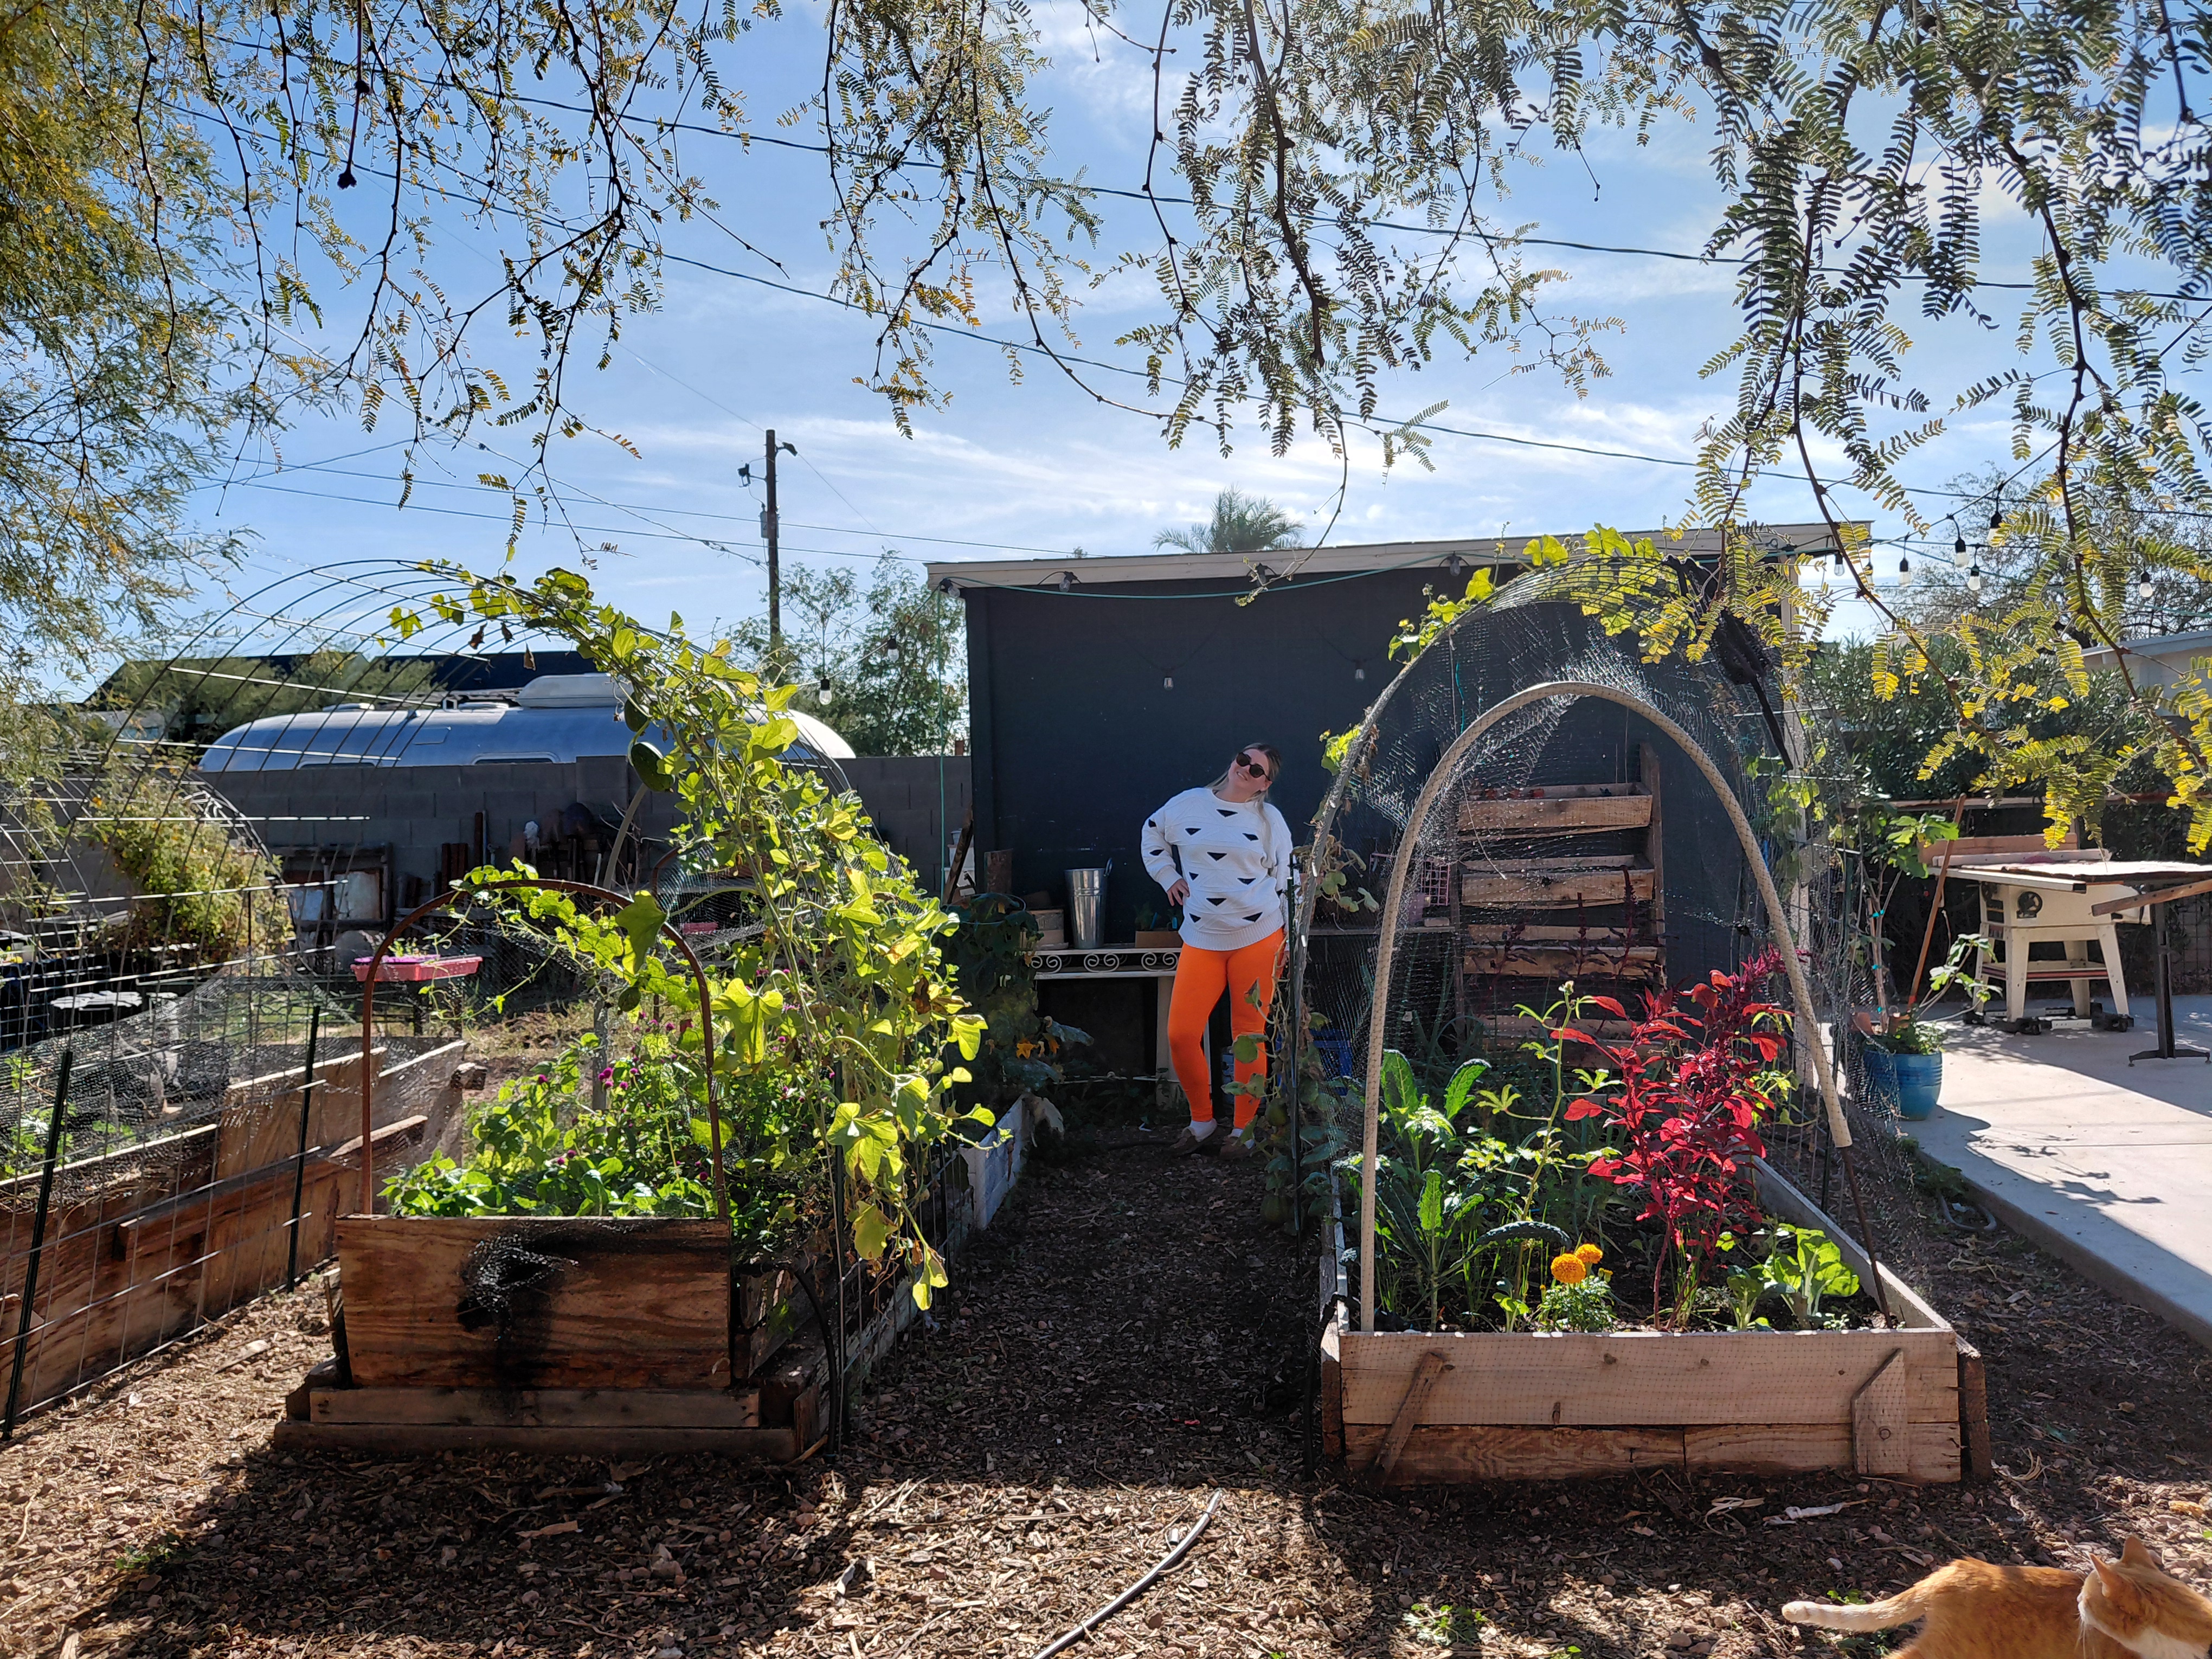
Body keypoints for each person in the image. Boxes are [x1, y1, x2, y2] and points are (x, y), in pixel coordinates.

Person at [1140, 743, 1290, 1159]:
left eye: (1256, 770)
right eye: (1243, 760)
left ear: (1265, 784)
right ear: (1232, 761)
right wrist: (1167, 875)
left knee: (1249, 1036)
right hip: (1202, 937)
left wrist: (1292, 939)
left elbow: (1286, 879)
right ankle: (1202, 1122)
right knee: (1182, 1034)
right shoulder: (1187, 805)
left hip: (1259, 936)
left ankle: (1243, 1130)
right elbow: (1152, 831)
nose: (1246, 770)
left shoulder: (1269, 821)